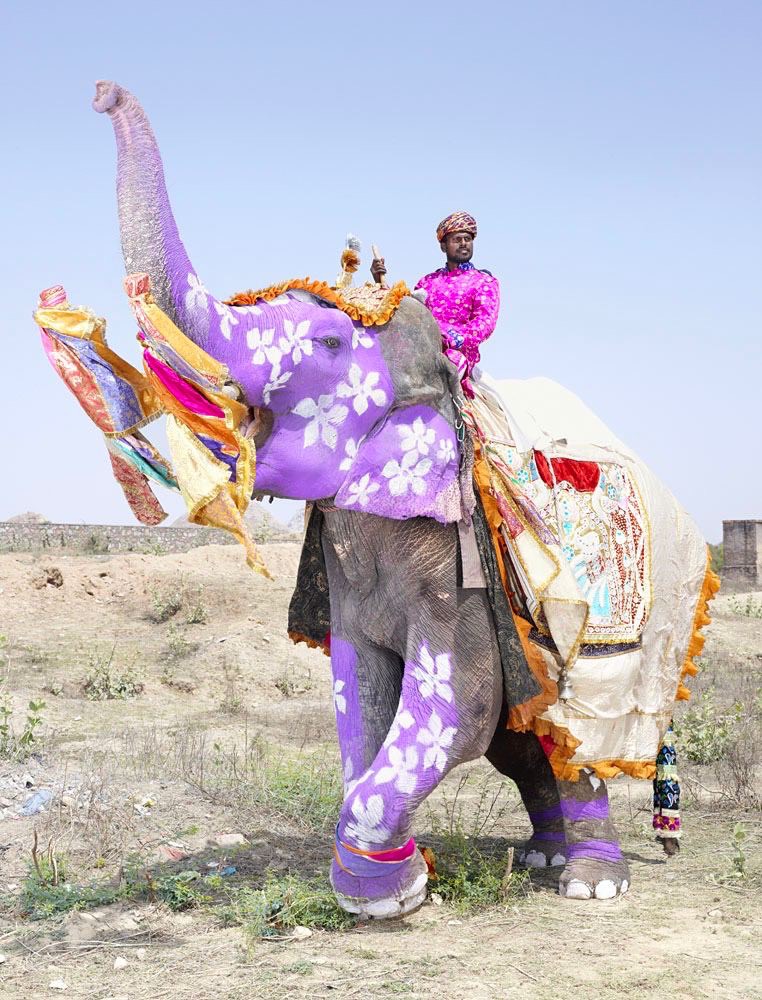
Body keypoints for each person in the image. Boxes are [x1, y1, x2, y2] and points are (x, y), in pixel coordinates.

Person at [371, 211, 500, 395]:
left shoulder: (484, 282)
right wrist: (379, 281)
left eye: (468, 239)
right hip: (422, 350)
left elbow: (484, 325)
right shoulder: (427, 282)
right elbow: (407, 311)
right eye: (457, 239)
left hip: (457, 354)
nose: (464, 243)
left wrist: (450, 338)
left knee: (446, 371)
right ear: (443, 246)